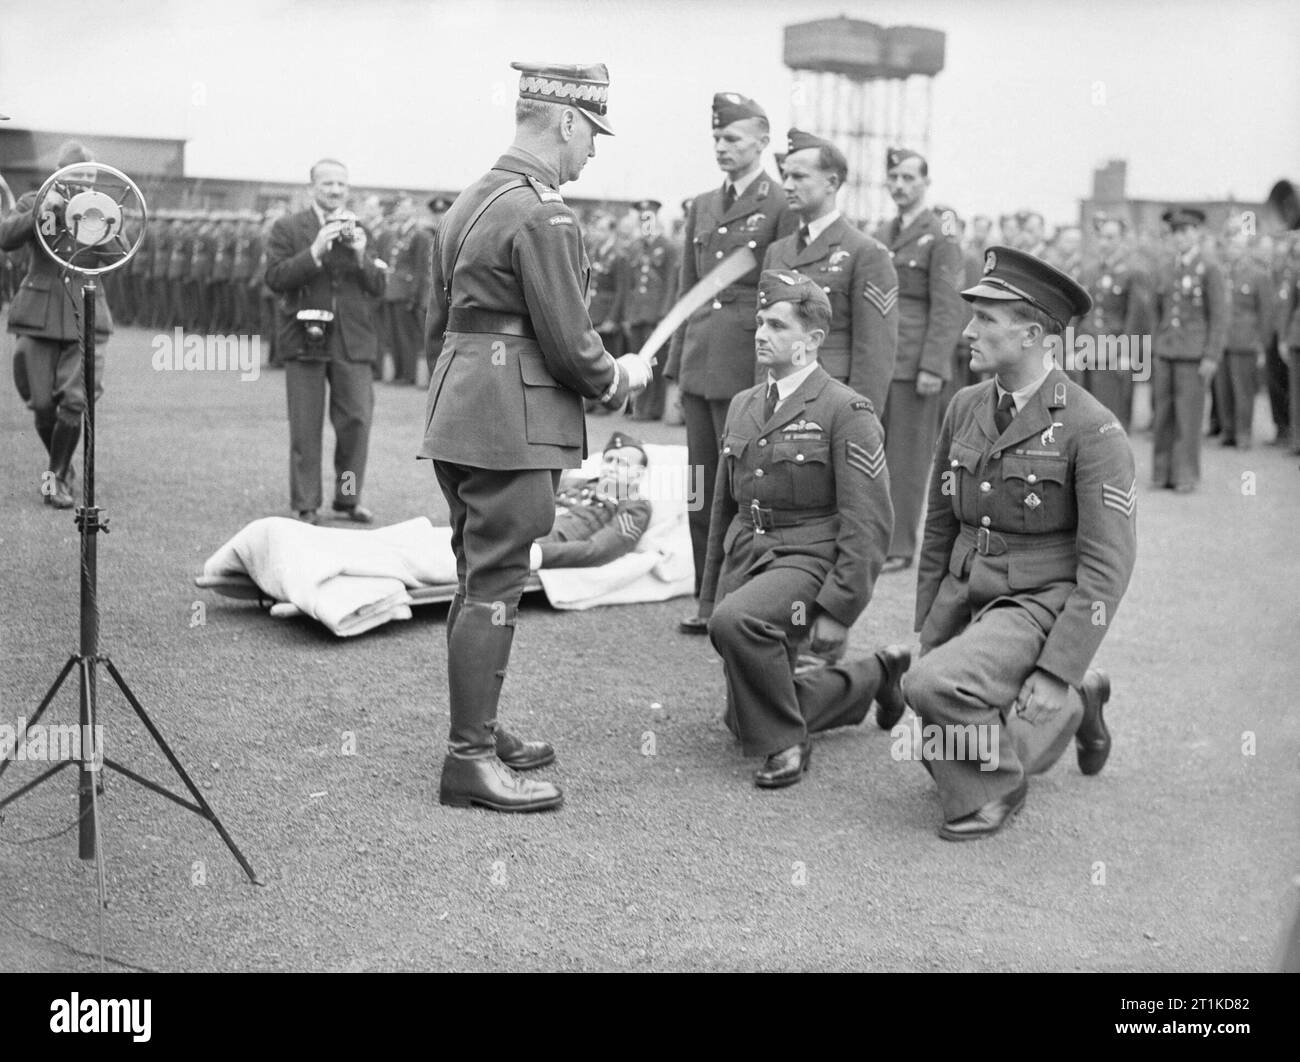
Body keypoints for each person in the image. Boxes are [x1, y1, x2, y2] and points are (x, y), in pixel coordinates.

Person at [420, 61, 648, 813]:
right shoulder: (544, 214)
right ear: (567, 123)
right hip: (513, 423)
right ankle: (469, 759)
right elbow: (569, 343)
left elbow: (439, 325)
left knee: (475, 575)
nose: (594, 153)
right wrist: (619, 379)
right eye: (593, 136)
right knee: (495, 581)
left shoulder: (470, 199)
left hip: (461, 411)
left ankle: (478, 728)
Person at [903, 247, 1137, 841]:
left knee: (934, 689)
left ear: (1033, 334)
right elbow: (939, 523)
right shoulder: (964, 406)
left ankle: (1007, 779)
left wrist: (1058, 668)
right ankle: (1081, 703)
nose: (968, 331)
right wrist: (929, 623)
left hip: (1036, 599)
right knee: (934, 721)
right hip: (968, 591)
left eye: (985, 318)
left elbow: (1108, 565)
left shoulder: (1092, 427)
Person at [699, 270, 909, 789]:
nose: (760, 334)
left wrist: (840, 609)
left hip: (809, 559)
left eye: (777, 325)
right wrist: (708, 593)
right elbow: (724, 508)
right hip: (748, 555)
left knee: (736, 623)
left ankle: (789, 742)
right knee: (742, 720)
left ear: (812, 341)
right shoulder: (743, 404)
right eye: (759, 323)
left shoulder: (846, 410)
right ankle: (877, 674)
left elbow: (870, 521)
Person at [666, 92, 796, 635]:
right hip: (699, 360)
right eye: (717, 139)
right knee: (699, 486)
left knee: (743, 489)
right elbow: (687, 291)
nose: (722, 147)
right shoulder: (700, 204)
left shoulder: (782, 205)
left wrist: (774, 375)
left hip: (747, 362)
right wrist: (675, 369)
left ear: (762, 142)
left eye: (733, 139)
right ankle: (705, 595)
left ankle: (741, 599)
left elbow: (784, 293)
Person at [264, 158, 385, 524]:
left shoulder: (361, 229)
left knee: (356, 424)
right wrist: (315, 249)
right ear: (311, 188)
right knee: (306, 425)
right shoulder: (288, 228)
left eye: (341, 185)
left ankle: (347, 499)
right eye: (327, 184)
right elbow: (275, 277)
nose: (335, 190)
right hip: (305, 338)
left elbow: (378, 286)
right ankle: (306, 503)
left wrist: (362, 253)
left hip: (352, 341)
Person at [0, 140, 112, 509]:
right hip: (38, 315)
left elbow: (118, 255)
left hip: (85, 311)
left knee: (74, 402)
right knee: (43, 406)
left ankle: (55, 479)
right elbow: (6, 239)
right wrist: (40, 213)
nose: (83, 185)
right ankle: (61, 468)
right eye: (76, 177)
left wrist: (103, 221)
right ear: (60, 175)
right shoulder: (35, 200)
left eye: (89, 179)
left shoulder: (103, 208)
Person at [763, 128, 898, 414]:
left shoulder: (865, 252)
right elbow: (765, 334)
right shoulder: (777, 251)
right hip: (777, 396)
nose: (787, 185)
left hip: (831, 400)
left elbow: (874, 352)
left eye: (798, 177)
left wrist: (860, 418)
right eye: (785, 176)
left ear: (832, 182)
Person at [875, 148, 965, 573]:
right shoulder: (883, 230)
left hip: (915, 363)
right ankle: (873, 536)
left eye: (909, 177)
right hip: (880, 358)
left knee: (908, 459)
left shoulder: (941, 235)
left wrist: (933, 365)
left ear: (926, 184)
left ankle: (899, 545)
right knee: (872, 451)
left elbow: (948, 306)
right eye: (894, 176)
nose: (900, 185)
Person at [1151, 207, 1226, 492]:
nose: (1179, 237)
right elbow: (1157, 311)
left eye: (1185, 231)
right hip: (1166, 350)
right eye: (1175, 232)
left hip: (1193, 355)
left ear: (1197, 233)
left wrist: (1211, 355)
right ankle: (1161, 473)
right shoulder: (1166, 267)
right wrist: (1156, 345)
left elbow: (1218, 316)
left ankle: (1184, 474)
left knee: (1188, 416)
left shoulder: (1210, 267)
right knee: (1163, 414)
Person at [530, 431, 653, 569]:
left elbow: (599, 549)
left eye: (622, 464)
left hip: (532, 549)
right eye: (608, 460)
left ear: (638, 474)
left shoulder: (634, 505)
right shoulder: (572, 483)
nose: (611, 468)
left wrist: (539, 555)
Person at [1077, 216, 1149, 431]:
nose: (1104, 242)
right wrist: (1071, 347)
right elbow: (1080, 313)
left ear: (1122, 239)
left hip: (1115, 351)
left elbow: (1136, 318)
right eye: (1101, 237)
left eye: (1110, 237)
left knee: (1111, 419)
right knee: (1086, 417)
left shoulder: (1134, 272)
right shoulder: (1090, 271)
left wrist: (1128, 354)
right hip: (1087, 349)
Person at [618, 199, 679, 422]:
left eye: (649, 218)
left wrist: (664, 315)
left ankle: (654, 408)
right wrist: (626, 314)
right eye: (642, 219)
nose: (646, 223)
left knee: (656, 362)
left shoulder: (668, 246)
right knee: (638, 360)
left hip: (656, 314)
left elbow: (671, 283)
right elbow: (628, 285)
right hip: (636, 313)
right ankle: (640, 406)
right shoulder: (634, 247)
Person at [379, 194, 432, 386]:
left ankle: (408, 375)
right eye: (399, 207)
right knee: (393, 335)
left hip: (407, 291)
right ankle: (398, 373)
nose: (400, 211)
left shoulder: (419, 235)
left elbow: (420, 269)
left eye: (404, 208)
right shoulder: (397, 233)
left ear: (413, 211)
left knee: (406, 336)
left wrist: (414, 296)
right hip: (393, 290)